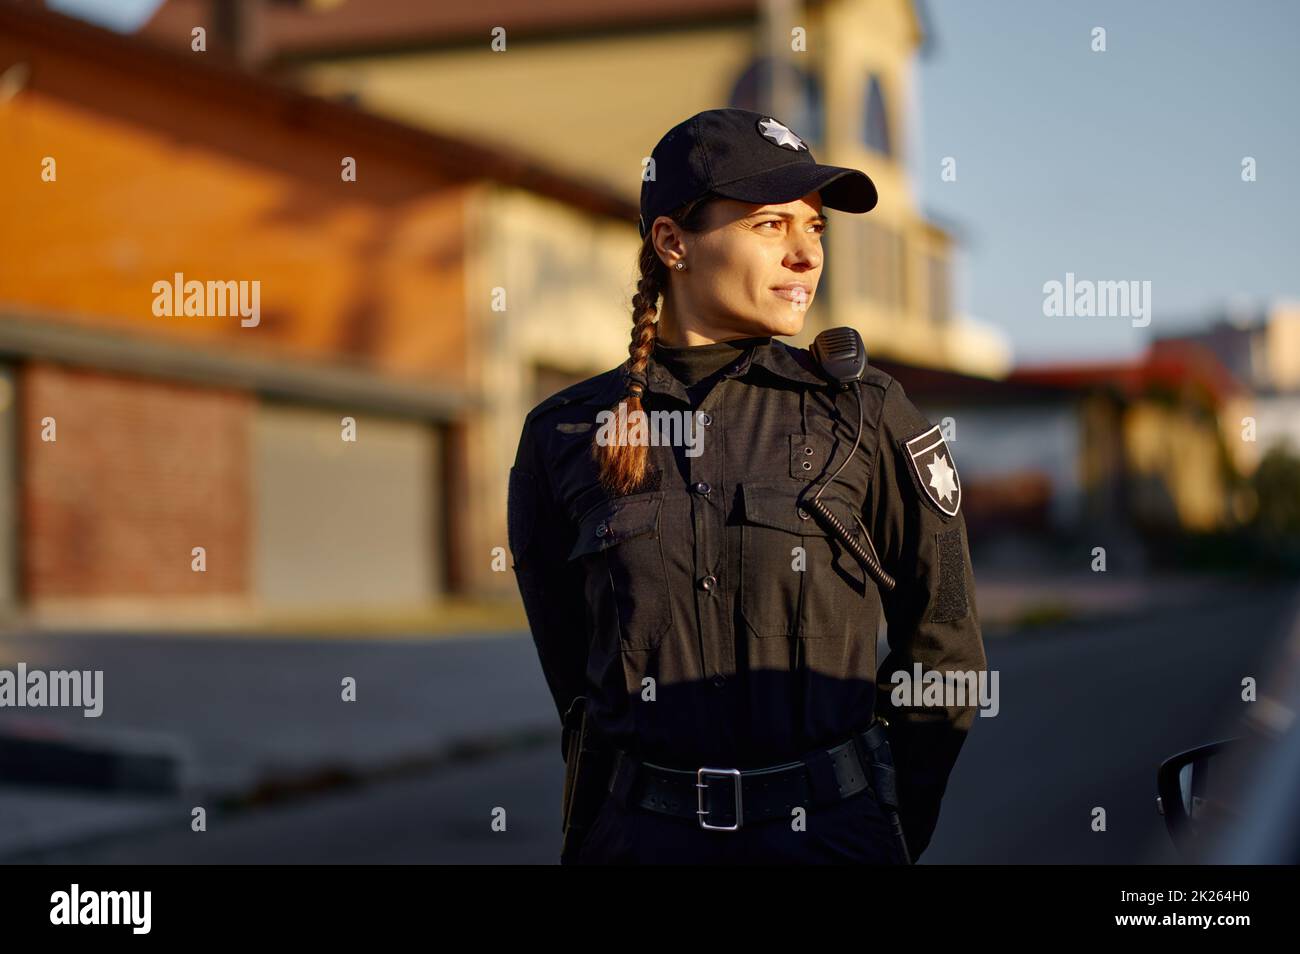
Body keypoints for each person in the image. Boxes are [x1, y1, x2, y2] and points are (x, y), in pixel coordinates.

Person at [507, 107, 987, 865]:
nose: (806, 256)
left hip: (831, 844)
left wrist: (886, 826)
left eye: (816, 228)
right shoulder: (565, 435)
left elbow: (946, 652)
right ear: (673, 242)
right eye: (771, 225)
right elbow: (578, 683)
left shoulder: (867, 415)